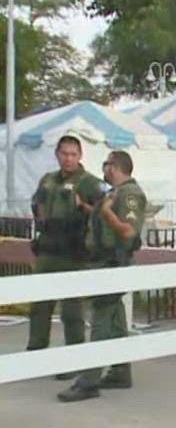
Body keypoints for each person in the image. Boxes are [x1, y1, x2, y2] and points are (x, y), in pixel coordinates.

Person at [57, 151, 148, 403]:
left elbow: (128, 232)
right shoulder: (114, 193)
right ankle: (120, 371)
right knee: (116, 319)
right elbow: (104, 219)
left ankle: (89, 381)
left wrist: (107, 213)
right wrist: (89, 208)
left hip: (113, 264)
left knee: (100, 321)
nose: (103, 170)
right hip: (104, 263)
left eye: (106, 165)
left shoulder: (130, 194)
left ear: (116, 166)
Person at [26, 136, 106, 373]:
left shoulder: (90, 183)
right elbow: (36, 204)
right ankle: (35, 356)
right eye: (64, 153)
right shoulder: (48, 180)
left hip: (74, 253)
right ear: (57, 154)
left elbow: (105, 214)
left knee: (71, 311)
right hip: (48, 251)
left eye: (73, 154)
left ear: (80, 155)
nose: (68, 158)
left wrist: (85, 208)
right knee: (39, 307)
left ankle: (72, 361)